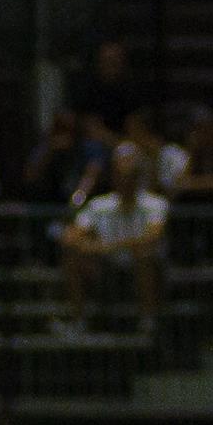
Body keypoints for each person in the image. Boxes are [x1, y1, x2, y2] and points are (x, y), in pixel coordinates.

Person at [59, 144, 168, 336]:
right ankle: (78, 322)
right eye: (121, 175)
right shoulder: (99, 205)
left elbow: (153, 236)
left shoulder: (155, 203)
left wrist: (110, 246)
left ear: (138, 177)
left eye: (130, 175)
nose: (125, 180)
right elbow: (70, 236)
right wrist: (90, 246)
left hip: (140, 263)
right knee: (73, 260)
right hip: (106, 265)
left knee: (144, 256)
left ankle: (148, 321)